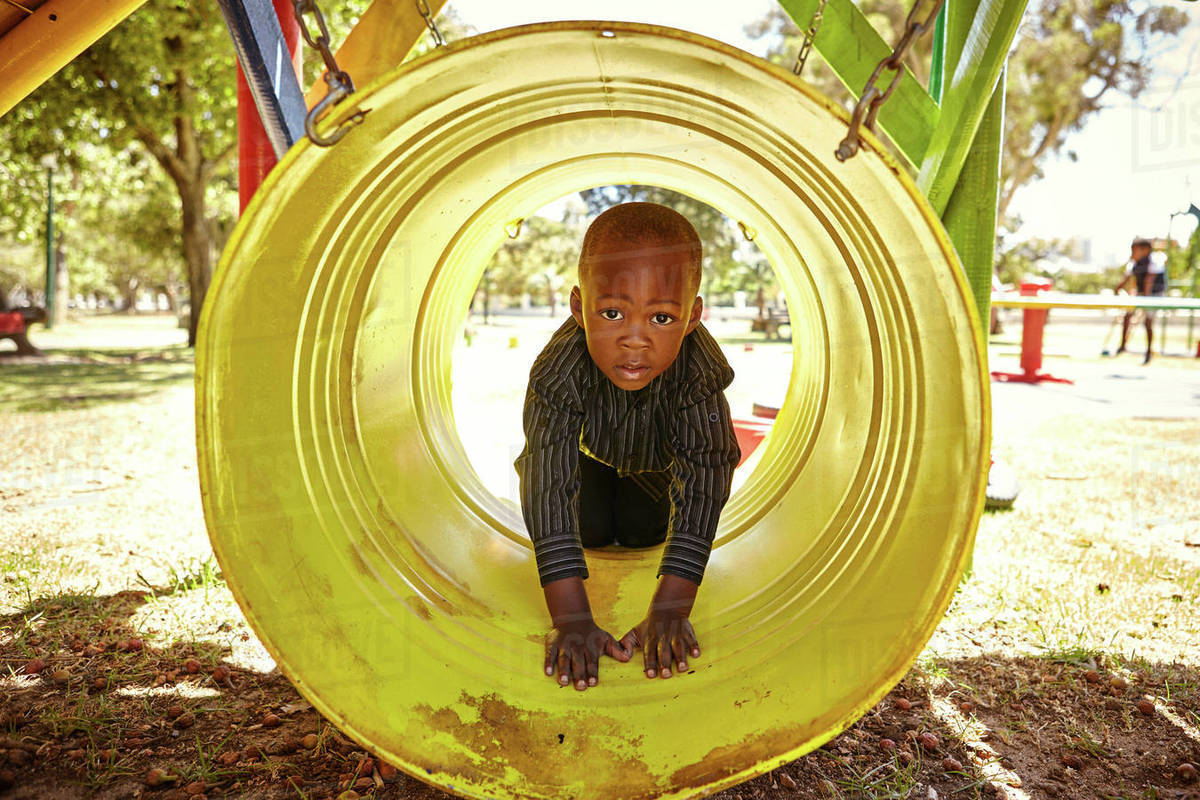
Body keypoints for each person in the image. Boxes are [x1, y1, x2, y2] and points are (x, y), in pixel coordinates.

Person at [514, 202, 741, 692]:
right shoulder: (560, 368)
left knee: (642, 535)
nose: (635, 340)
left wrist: (670, 607)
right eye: (612, 313)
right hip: (587, 462)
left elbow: (706, 474)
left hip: (657, 471)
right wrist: (572, 618)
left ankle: (633, 523)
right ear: (579, 308)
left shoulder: (698, 370)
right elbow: (547, 483)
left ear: (693, 317)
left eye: (661, 317)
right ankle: (601, 521)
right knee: (588, 530)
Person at [1113, 237, 1167, 364]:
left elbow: (1149, 279)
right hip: (1141, 294)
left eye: (1135, 249)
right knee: (1127, 316)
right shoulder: (1134, 262)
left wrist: (1145, 300)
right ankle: (1123, 345)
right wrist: (1118, 289)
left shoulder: (1155, 260)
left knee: (1148, 322)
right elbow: (1127, 278)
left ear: (1146, 250)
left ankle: (1149, 351)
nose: (1132, 252)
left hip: (1153, 295)